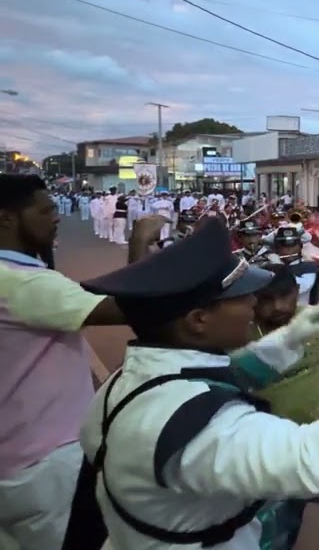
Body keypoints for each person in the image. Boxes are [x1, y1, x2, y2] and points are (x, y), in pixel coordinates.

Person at [62, 218, 319, 550]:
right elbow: (317, 462)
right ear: (198, 320)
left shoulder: (130, 380)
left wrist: (287, 340)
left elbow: (210, 380)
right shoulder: (202, 427)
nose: (254, 305)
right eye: (240, 298)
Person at [0, 175, 140, 549]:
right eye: (44, 210)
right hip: (46, 465)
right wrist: (140, 243)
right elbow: (135, 308)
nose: (55, 217)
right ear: (6, 219)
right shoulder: (22, 283)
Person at [247, 266, 319, 548]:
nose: (277, 307)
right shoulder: (238, 333)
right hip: (258, 445)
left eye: (284, 297)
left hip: (308, 435)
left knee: (290, 514)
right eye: (266, 299)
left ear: (296, 293)